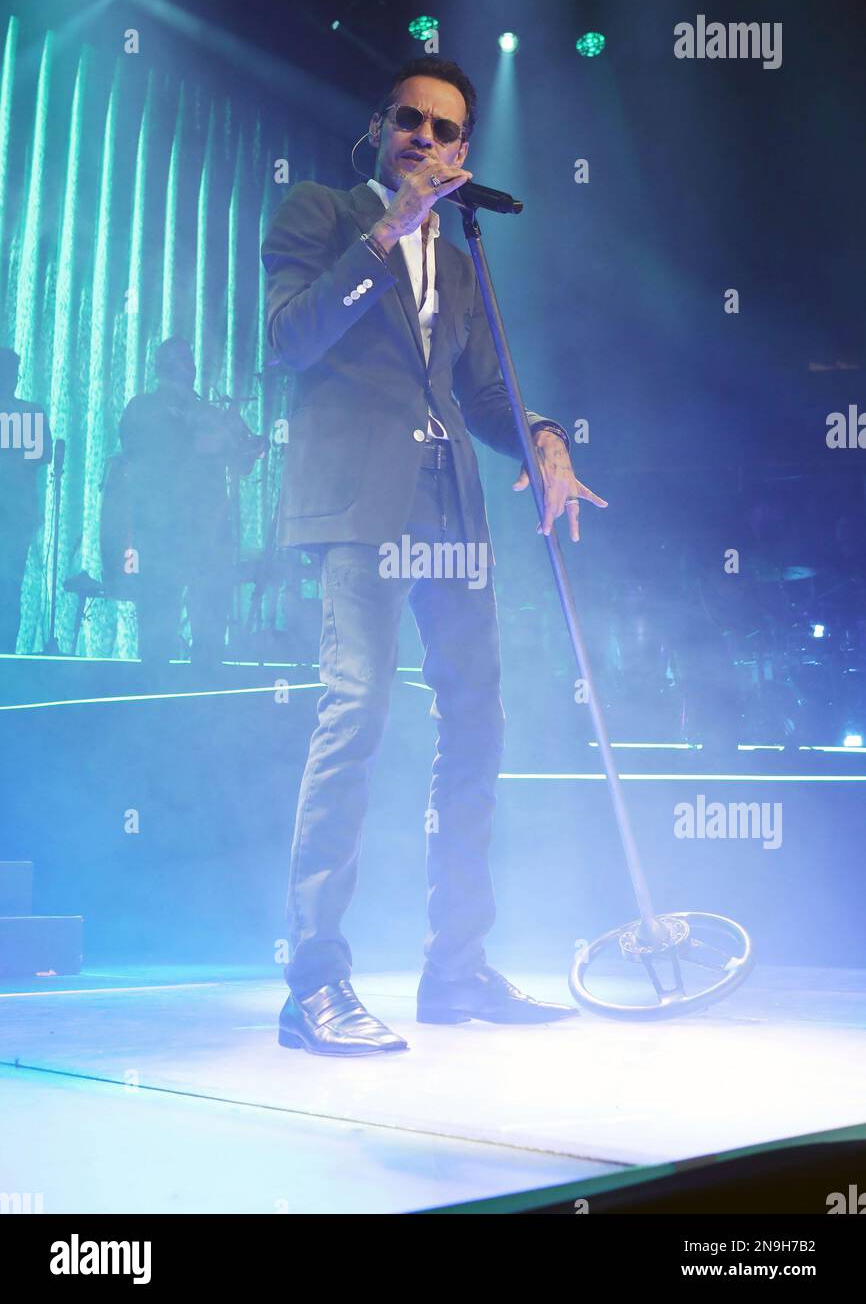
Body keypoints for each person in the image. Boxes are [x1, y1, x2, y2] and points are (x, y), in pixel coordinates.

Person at [262, 57, 607, 1056]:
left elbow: (486, 394)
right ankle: (313, 980)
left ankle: (455, 966)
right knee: (356, 709)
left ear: (462, 153)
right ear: (379, 128)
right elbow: (287, 338)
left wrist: (541, 434)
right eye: (407, 120)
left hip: (449, 506)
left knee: (477, 722)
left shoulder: (460, 263)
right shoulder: (323, 213)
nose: (423, 137)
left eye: (443, 130)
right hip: (359, 499)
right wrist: (387, 231)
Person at [117, 337, 261, 667]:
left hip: (207, 532)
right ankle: (154, 696)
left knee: (210, 629)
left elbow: (243, 462)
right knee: (156, 626)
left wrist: (248, 446)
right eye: (182, 359)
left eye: (191, 359)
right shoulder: (143, 407)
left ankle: (203, 696)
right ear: (162, 366)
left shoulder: (210, 413)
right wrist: (202, 441)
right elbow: (138, 448)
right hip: (161, 530)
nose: (191, 366)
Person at [0, 347, 53, 652]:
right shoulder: (29, 413)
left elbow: (42, 454)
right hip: (18, 515)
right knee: (8, 588)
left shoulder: (30, 411)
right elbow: (39, 454)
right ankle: (5, 655)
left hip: (16, 517)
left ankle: (5, 654)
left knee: (8, 588)